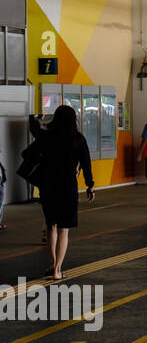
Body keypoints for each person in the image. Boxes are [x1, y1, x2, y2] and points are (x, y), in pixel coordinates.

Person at [25, 105, 94, 279]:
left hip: (48, 186)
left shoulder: (46, 137)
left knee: (51, 225)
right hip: (68, 186)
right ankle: (57, 270)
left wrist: (43, 163)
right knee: (64, 229)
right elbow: (86, 164)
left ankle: (52, 262)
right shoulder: (78, 139)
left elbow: (27, 154)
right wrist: (90, 185)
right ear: (73, 119)